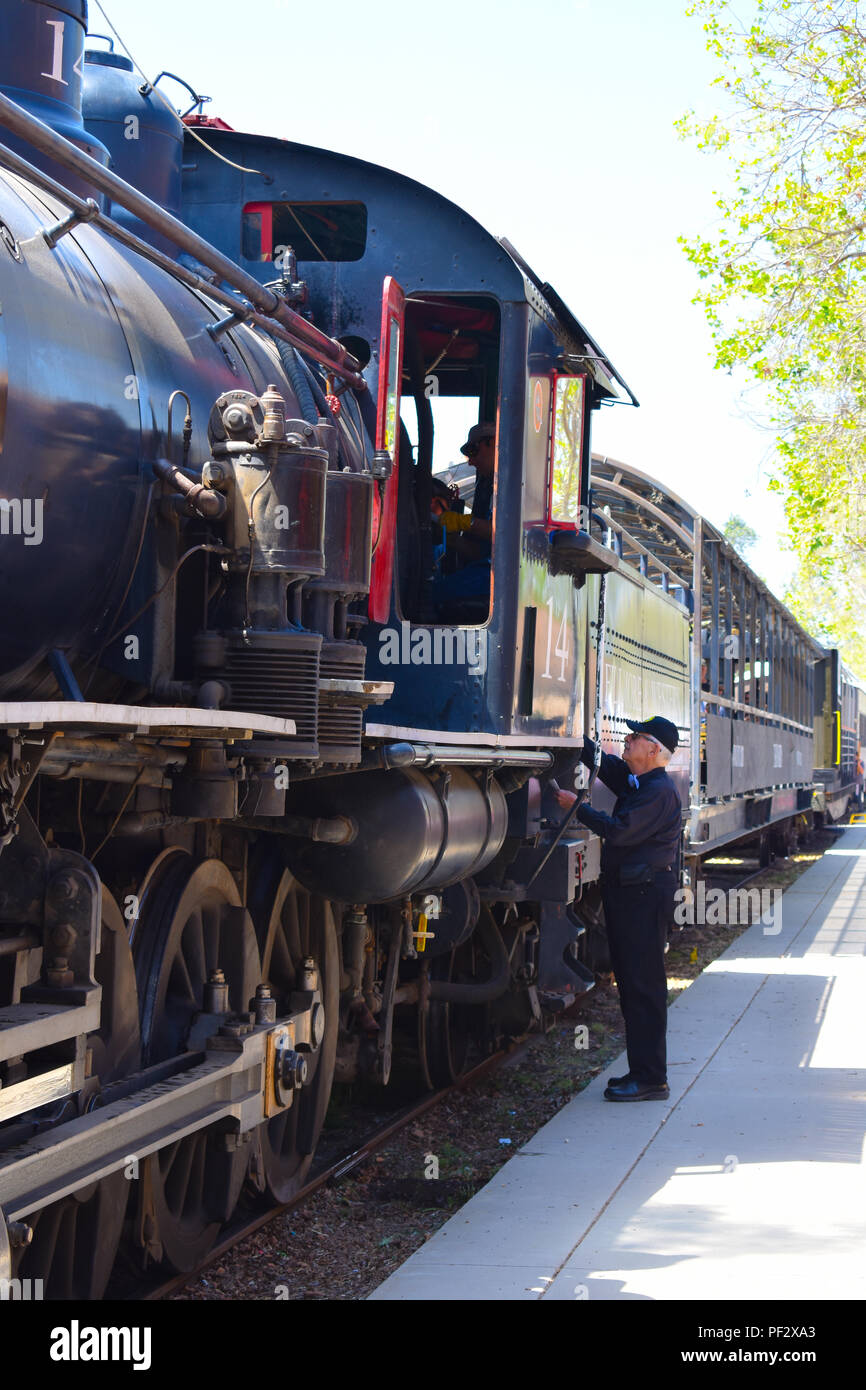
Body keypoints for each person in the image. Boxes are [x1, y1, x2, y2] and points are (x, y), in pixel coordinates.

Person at [556, 716, 682, 1102]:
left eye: (635, 738)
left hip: (643, 898)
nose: (626, 742)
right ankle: (642, 1072)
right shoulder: (643, 782)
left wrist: (576, 807)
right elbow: (610, 769)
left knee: (642, 988)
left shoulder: (658, 792)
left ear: (654, 750)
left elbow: (620, 830)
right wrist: (578, 739)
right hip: (635, 895)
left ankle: (650, 1079)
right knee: (633, 985)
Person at [431, 422, 495, 615]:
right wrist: (452, 540)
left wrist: (462, 521)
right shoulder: (487, 487)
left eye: (474, 450)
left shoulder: (515, 484)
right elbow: (480, 553)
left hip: (502, 576)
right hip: (488, 568)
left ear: (494, 443)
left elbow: (503, 534)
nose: (470, 462)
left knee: (433, 595)